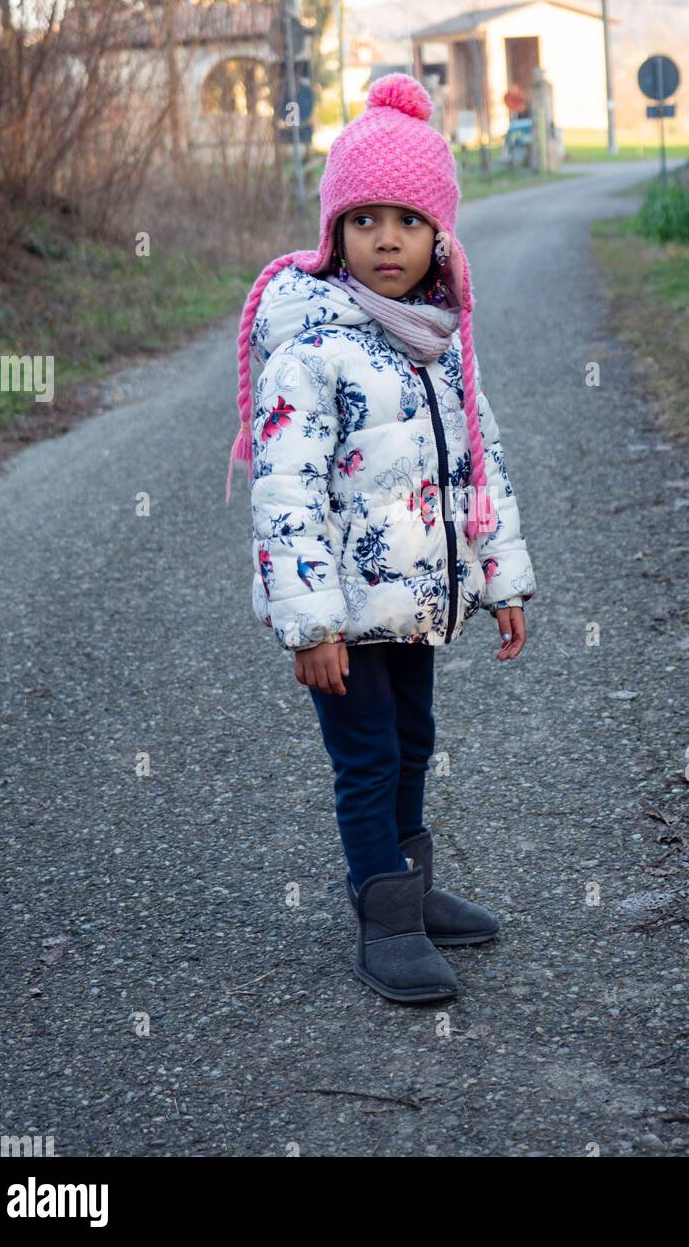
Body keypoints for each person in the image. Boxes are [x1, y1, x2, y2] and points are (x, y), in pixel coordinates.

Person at [226, 72, 537, 1004]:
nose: (387, 238)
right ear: (335, 234)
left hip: (417, 604)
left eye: (407, 219)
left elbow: (480, 467)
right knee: (366, 760)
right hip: (346, 615)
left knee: (412, 741)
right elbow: (285, 495)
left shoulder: (438, 342)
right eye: (365, 221)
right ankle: (385, 918)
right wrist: (310, 624)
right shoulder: (311, 351)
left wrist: (502, 580)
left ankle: (413, 884)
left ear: (440, 234)